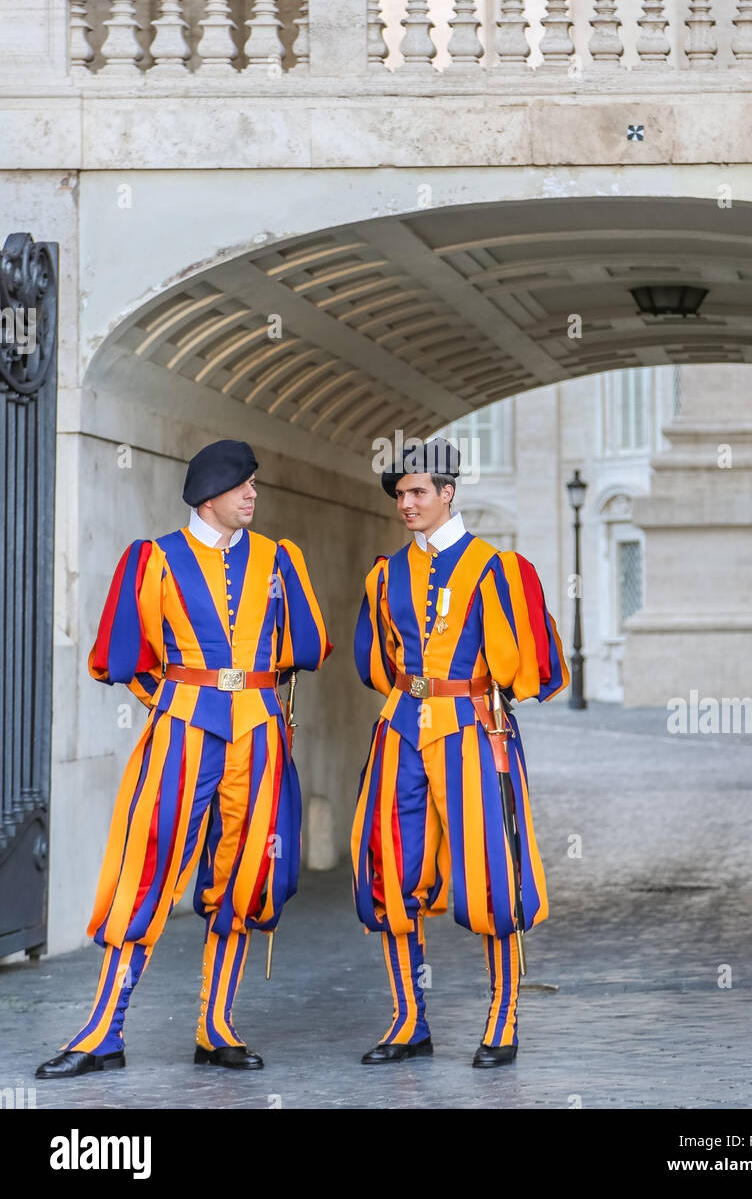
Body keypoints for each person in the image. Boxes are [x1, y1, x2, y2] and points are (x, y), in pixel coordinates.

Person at [36, 439, 331, 1078]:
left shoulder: (282, 559)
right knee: (146, 866)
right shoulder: (154, 559)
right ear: (208, 495)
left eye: (255, 485)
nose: (253, 495)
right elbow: (120, 657)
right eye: (242, 486)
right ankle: (101, 1032)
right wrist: (170, 702)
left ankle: (216, 1024)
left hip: (257, 733)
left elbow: (308, 645)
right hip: (181, 732)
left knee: (243, 874)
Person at [351, 436, 568, 1069]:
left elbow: (541, 671)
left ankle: (503, 1021)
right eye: (401, 494)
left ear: (449, 493)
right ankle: (408, 1020)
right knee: (393, 870)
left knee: (492, 876)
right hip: (402, 729)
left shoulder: (498, 568)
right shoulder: (385, 574)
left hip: (474, 729)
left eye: (419, 492)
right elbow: (375, 663)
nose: (407, 504)